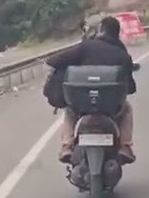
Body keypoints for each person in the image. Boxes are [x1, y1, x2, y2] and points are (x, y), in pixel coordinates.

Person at [44, 16, 137, 164]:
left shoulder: (86, 47)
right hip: (110, 107)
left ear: (101, 30)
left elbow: (55, 61)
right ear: (117, 34)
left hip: (82, 104)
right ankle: (125, 146)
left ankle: (67, 145)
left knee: (69, 111)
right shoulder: (122, 55)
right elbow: (131, 87)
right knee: (127, 109)